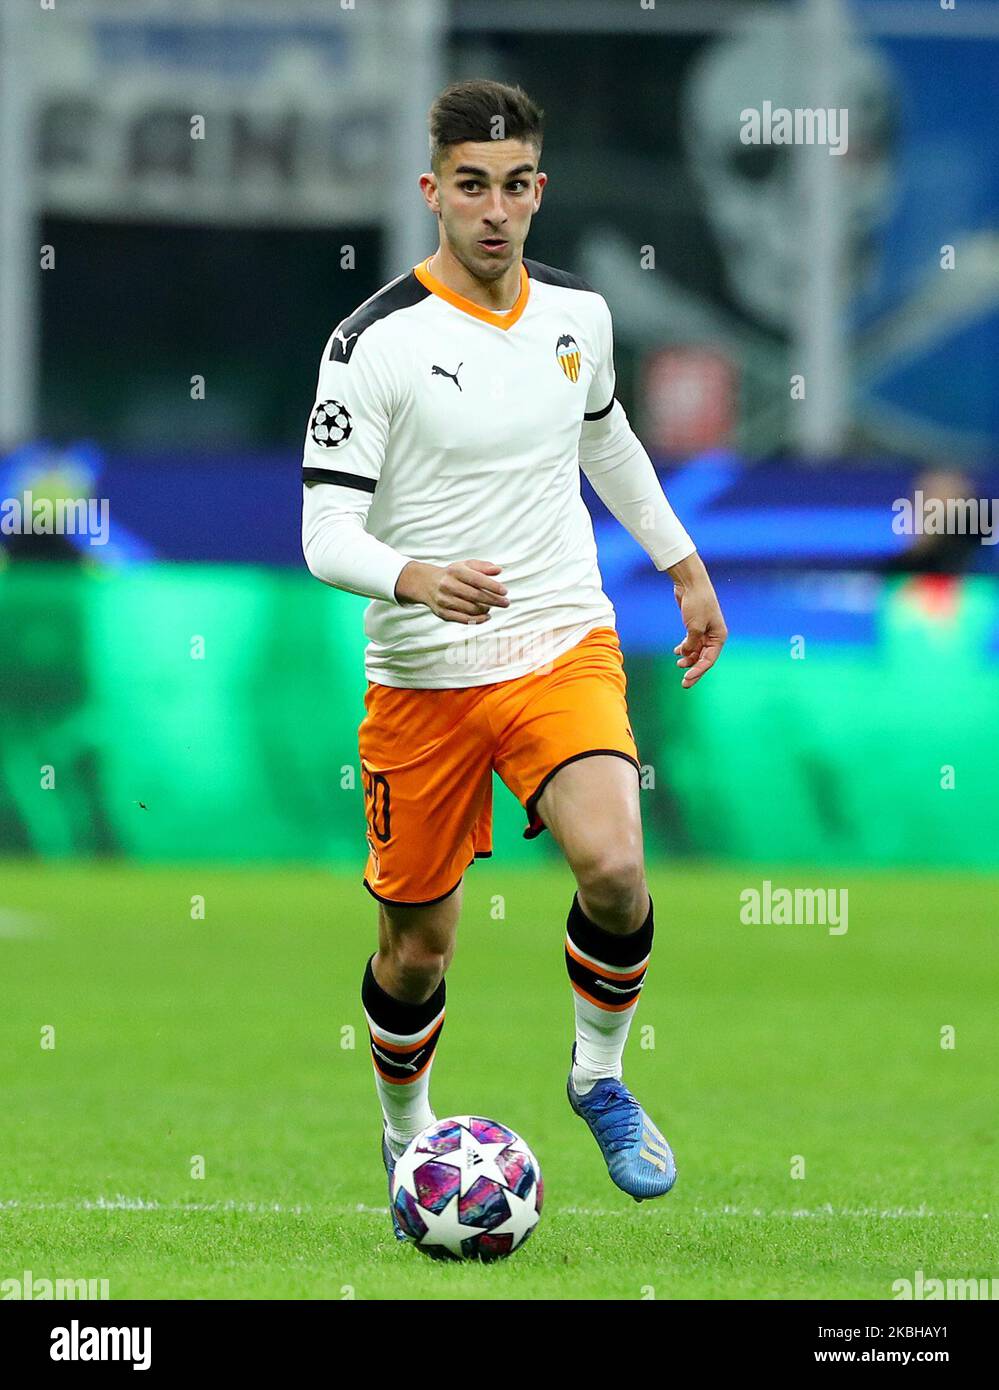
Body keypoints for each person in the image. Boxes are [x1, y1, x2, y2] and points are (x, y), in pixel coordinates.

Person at [301, 79, 727, 1233]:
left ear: (539, 190)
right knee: (415, 950)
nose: (495, 209)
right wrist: (415, 575)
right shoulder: (370, 343)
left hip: (559, 637)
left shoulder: (578, 318)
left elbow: (607, 436)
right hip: (422, 675)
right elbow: (324, 531)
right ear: (432, 191)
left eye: (516, 185)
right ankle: (408, 1141)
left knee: (618, 865)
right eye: (471, 186)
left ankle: (598, 1077)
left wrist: (680, 561)